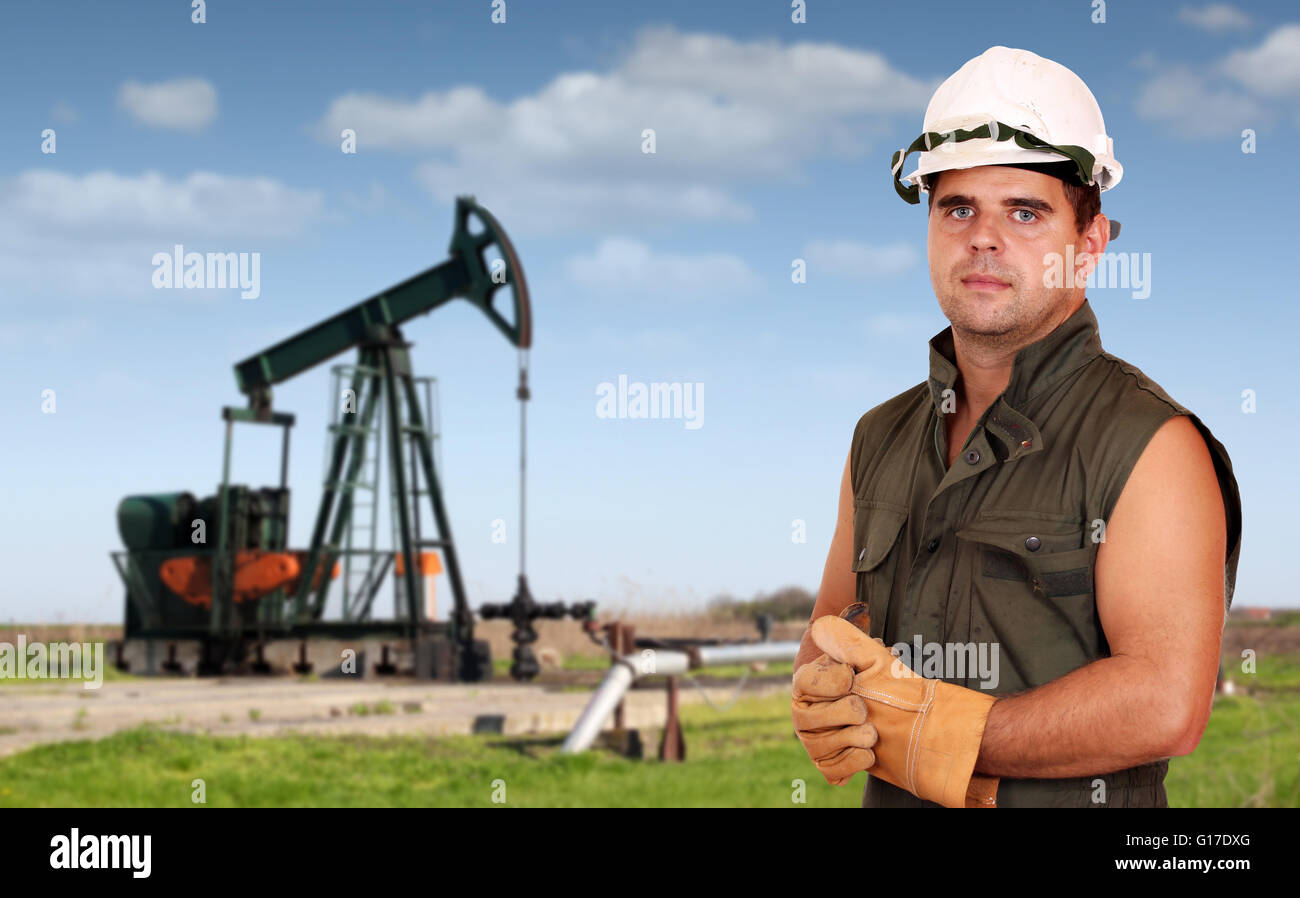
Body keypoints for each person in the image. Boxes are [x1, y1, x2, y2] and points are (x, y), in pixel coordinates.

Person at [791, 46, 1243, 808]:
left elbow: (1167, 703)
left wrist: (951, 735)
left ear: (1089, 243)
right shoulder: (880, 437)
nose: (984, 238)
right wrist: (819, 689)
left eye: (1025, 212)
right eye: (957, 207)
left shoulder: (1152, 445)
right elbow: (832, 631)